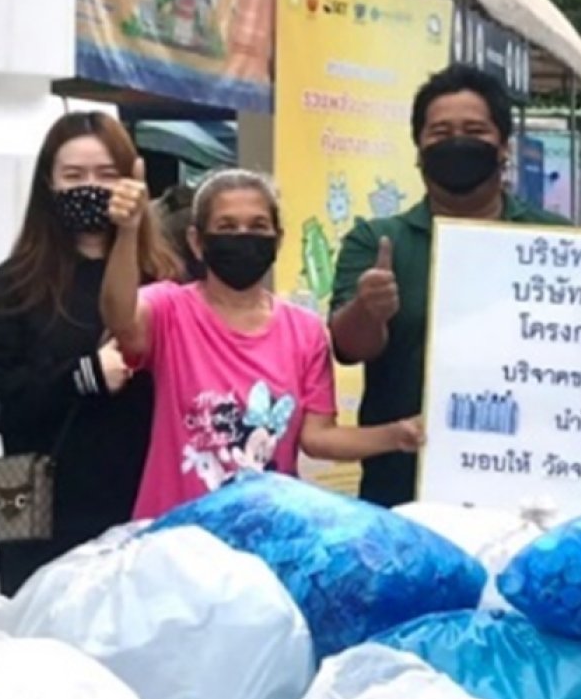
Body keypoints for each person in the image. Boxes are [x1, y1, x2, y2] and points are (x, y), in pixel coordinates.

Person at [102, 165, 422, 520]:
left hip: (266, 536)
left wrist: (396, 435)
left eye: (257, 227)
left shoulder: (305, 330)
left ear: (278, 239)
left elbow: (318, 438)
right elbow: (120, 317)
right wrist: (128, 234)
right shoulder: (169, 309)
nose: (243, 237)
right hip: (176, 540)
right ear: (197, 241)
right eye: (226, 227)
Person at [328, 63, 567, 508]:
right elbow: (349, 348)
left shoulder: (555, 238)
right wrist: (369, 308)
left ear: (504, 148)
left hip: (527, 489)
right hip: (403, 488)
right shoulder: (377, 241)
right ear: (418, 148)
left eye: (474, 130)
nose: (457, 142)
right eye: (440, 133)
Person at [0, 111, 173, 597]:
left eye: (106, 175)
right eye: (73, 176)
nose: (90, 188)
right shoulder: (17, 281)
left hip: (138, 504)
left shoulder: (167, 279)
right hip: (37, 505)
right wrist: (82, 376)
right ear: (48, 186)